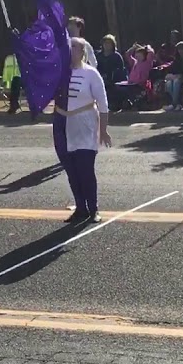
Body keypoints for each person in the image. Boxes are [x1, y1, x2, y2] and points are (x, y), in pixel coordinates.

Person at [56, 37, 112, 225]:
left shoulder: (91, 74)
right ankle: (80, 208)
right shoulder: (59, 73)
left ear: (82, 51)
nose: (70, 50)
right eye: (68, 47)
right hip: (62, 122)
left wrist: (103, 130)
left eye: (75, 47)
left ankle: (93, 208)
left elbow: (103, 104)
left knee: (86, 169)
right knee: (71, 170)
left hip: (85, 123)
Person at [163, 41, 183, 111]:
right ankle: (178, 104)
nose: (181, 51)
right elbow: (173, 71)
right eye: (179, 49)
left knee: (176, 82)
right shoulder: (176, 59)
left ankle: (174, 104)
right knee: (169, 83)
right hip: (178, 77)